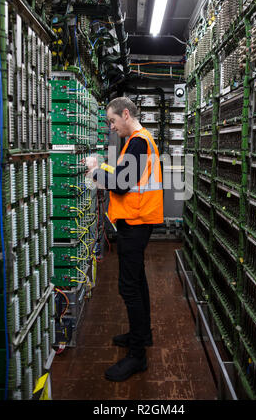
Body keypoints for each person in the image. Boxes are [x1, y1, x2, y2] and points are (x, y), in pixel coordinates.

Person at [85, 97, 163, 382]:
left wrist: (95, 171)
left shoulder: (139, 142)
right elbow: (122, 176)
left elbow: (120, 183)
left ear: (126, 114)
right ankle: (142, 335)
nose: (111, 126)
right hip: (136, 222)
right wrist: (103, 168)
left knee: (128, 287)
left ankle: (137, 356)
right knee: (137, 281)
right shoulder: (137, 142)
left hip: (136, 223)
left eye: (112, 121)